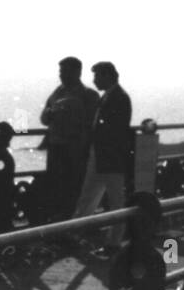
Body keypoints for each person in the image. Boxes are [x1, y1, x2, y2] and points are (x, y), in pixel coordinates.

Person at [73, 61, 132, 259]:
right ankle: (77, 234)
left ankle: (113, 244)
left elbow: (114, 130)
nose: (94, 80)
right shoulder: (110, 96)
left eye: (97, 76)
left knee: (114, 203)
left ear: (107, 76)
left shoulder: (119, 98)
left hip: (110, 159)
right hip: (103, 157)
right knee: (88, 197)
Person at [40, 57, 99, 218]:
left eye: (65, 71)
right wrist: (51, 113)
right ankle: (58, 223)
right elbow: (44, 118)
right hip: (56, 148)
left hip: (76, 150)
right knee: (56, 188)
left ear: (77, 72)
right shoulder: (57, 93)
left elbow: (91, 125)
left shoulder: (89, 95)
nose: (61, 75)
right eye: (61, 71)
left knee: (73, 189)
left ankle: (72, 225)